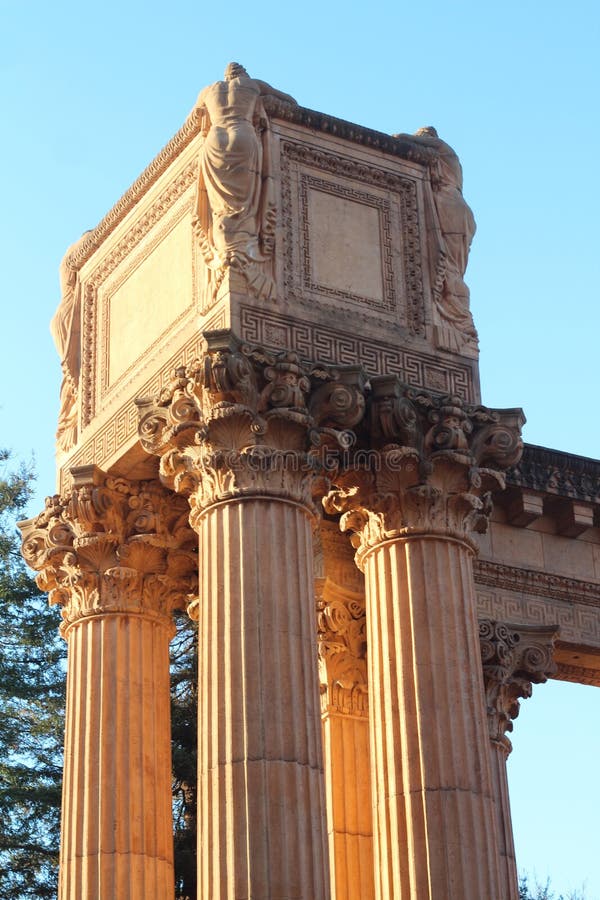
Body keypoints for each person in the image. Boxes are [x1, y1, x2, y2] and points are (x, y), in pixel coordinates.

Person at [191, 62, 296, 301]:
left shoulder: (208, 90)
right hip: (243, 135)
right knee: (244, 205)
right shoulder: (253, 85)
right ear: (243, 74)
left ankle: (226, 246)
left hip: (215, 140)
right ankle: (243, 247)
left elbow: (192, 118)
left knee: (221, 207)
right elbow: (289, 101)